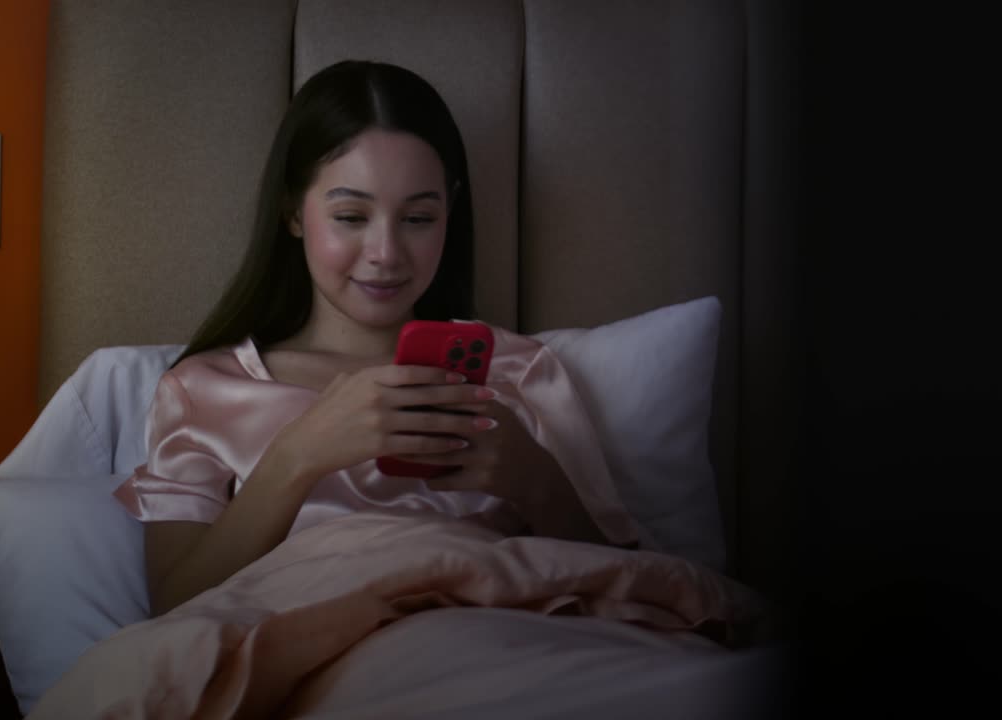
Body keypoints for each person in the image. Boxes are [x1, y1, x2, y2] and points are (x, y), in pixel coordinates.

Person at [113, 60, 644, 617]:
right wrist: (298, 455)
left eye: (417, 218)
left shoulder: (520, 370)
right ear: (293, 211)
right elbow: (173, 609)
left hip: (510, 649)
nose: (386, 253)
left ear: (449, 213)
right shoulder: (203, 391)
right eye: (350, 215)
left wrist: (537, 482)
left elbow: (627, 583)